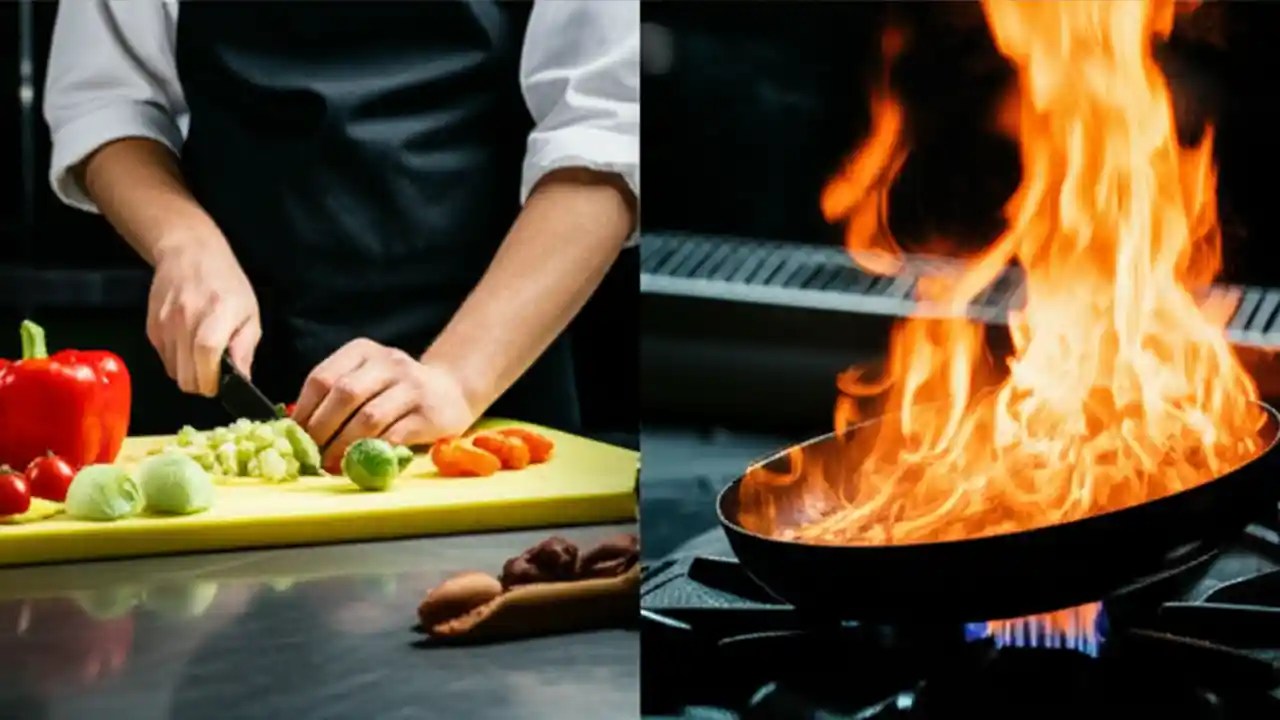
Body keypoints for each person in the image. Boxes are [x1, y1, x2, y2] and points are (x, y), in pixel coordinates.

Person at [43, 1, 639, 466]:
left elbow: (605, 132)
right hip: (233, 376)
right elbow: (107, 102)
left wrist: (456, 379)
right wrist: (184, 242)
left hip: (493, 385)